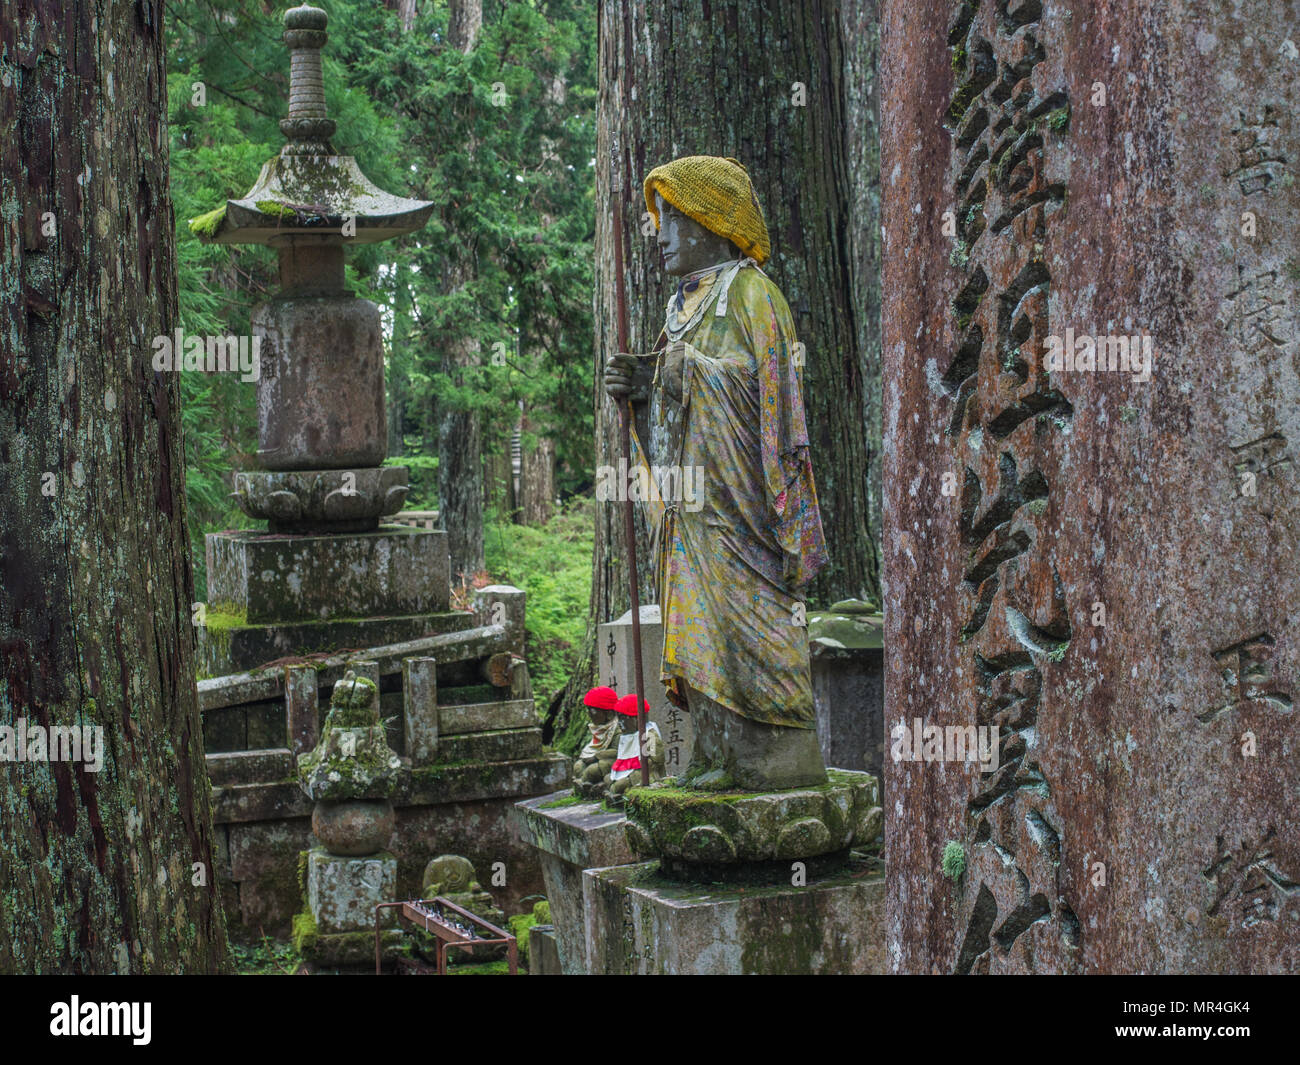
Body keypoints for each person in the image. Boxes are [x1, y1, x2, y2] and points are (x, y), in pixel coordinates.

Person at [604, 156, 829, 791]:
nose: (663, 234)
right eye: (660, 220)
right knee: (695, 616)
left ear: (713, 221)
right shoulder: (682, 306)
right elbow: (671, 412)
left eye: (676, 218)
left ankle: (770, 758)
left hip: (744, 505)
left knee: (747, 618)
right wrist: (641, 393)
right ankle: (714, 750)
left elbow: (769, 393)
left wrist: (682, 371)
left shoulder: (753, 294)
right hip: (691, 502)